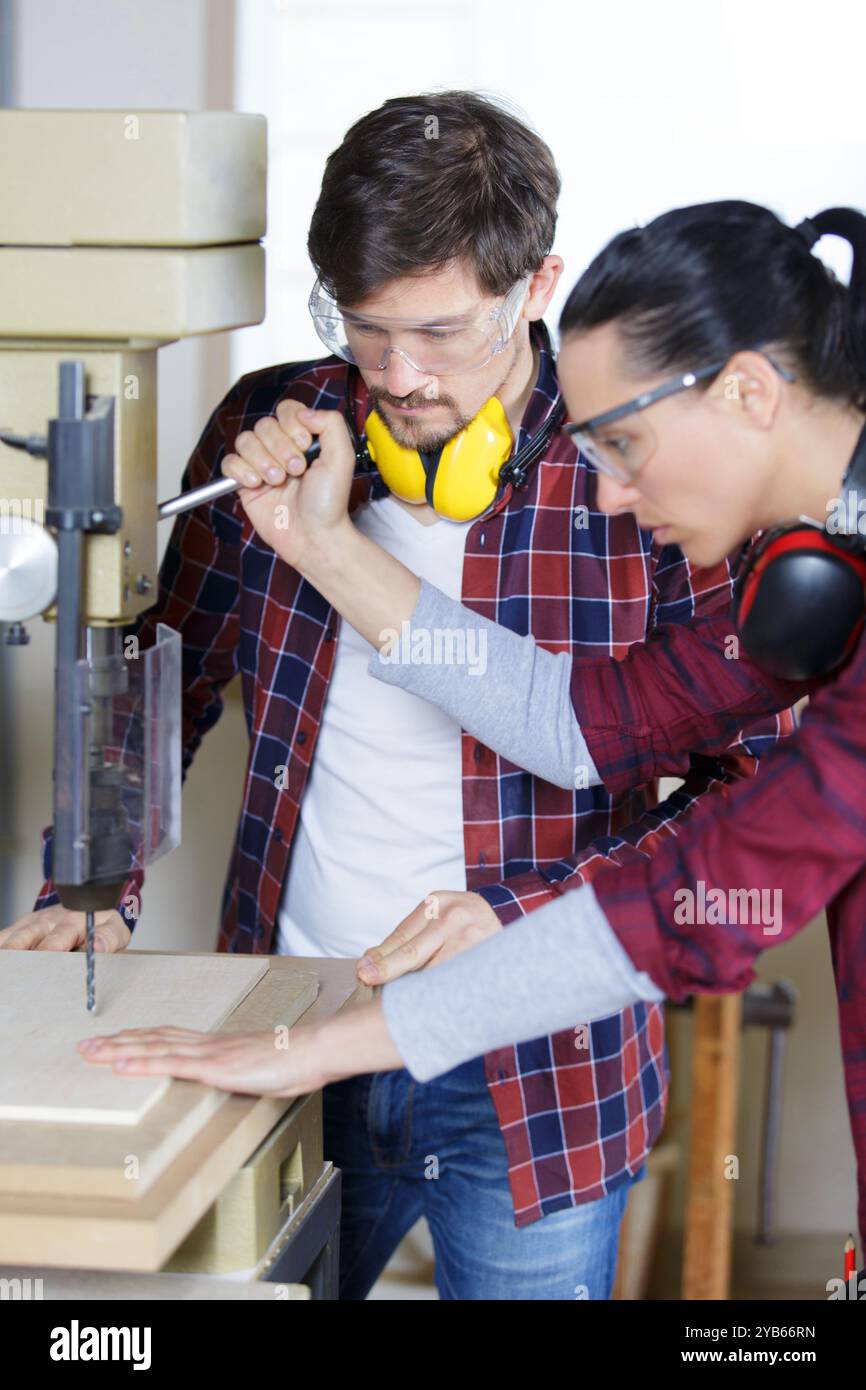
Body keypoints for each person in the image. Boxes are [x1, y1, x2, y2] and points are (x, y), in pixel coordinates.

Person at [14, 92, 790, 1300]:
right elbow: (162, 672)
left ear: (537, 284)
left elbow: (749, 784)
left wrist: (534, 913)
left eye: (437, 333)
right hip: (291, 1011)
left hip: (536, 1064)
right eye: (366, 331)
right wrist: (94, 876)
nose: (398, 375)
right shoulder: (272, 432)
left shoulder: (648, 486)